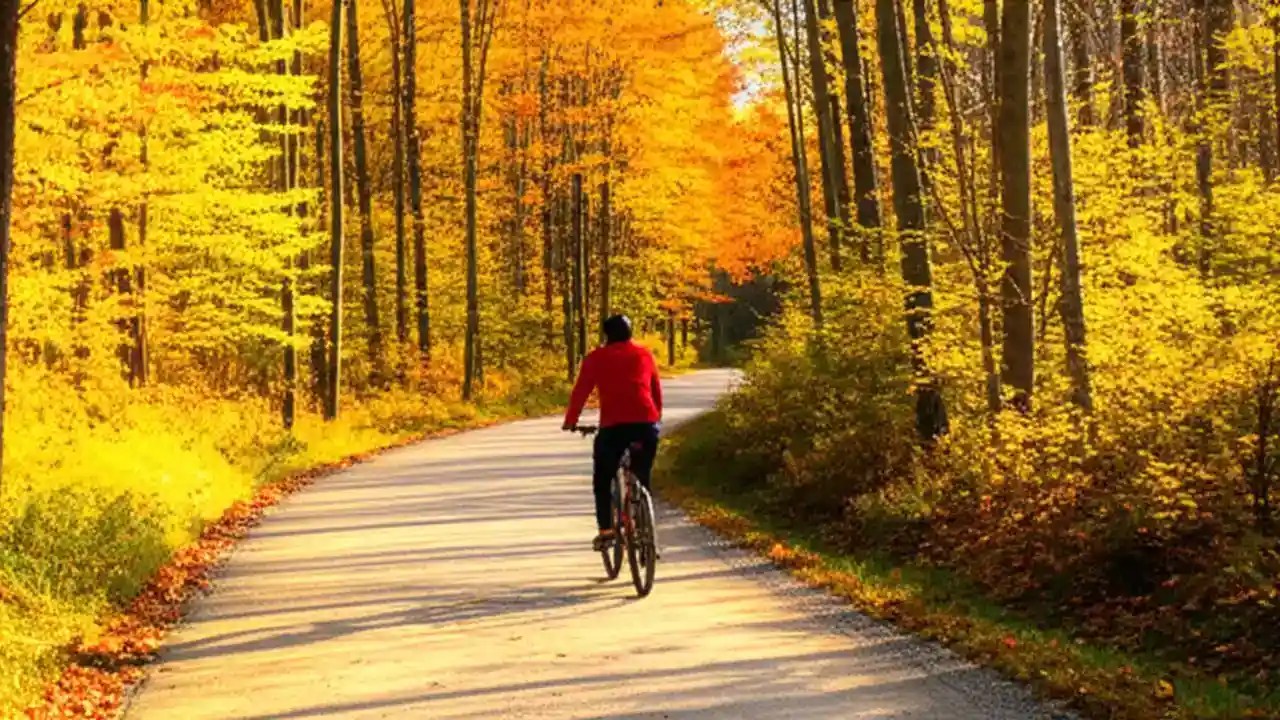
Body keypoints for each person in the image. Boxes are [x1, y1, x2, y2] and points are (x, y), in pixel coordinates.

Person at [563, 314, 663, 550]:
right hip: (646, 425)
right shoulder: (645, 355)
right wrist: (655, 419)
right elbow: (655, 391)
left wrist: (571, 421)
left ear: (607, 334)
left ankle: (606, 531)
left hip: (614, 427)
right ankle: (642, 521)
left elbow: (580, 393)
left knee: (603, 478)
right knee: (642, 473)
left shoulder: (596, 358)